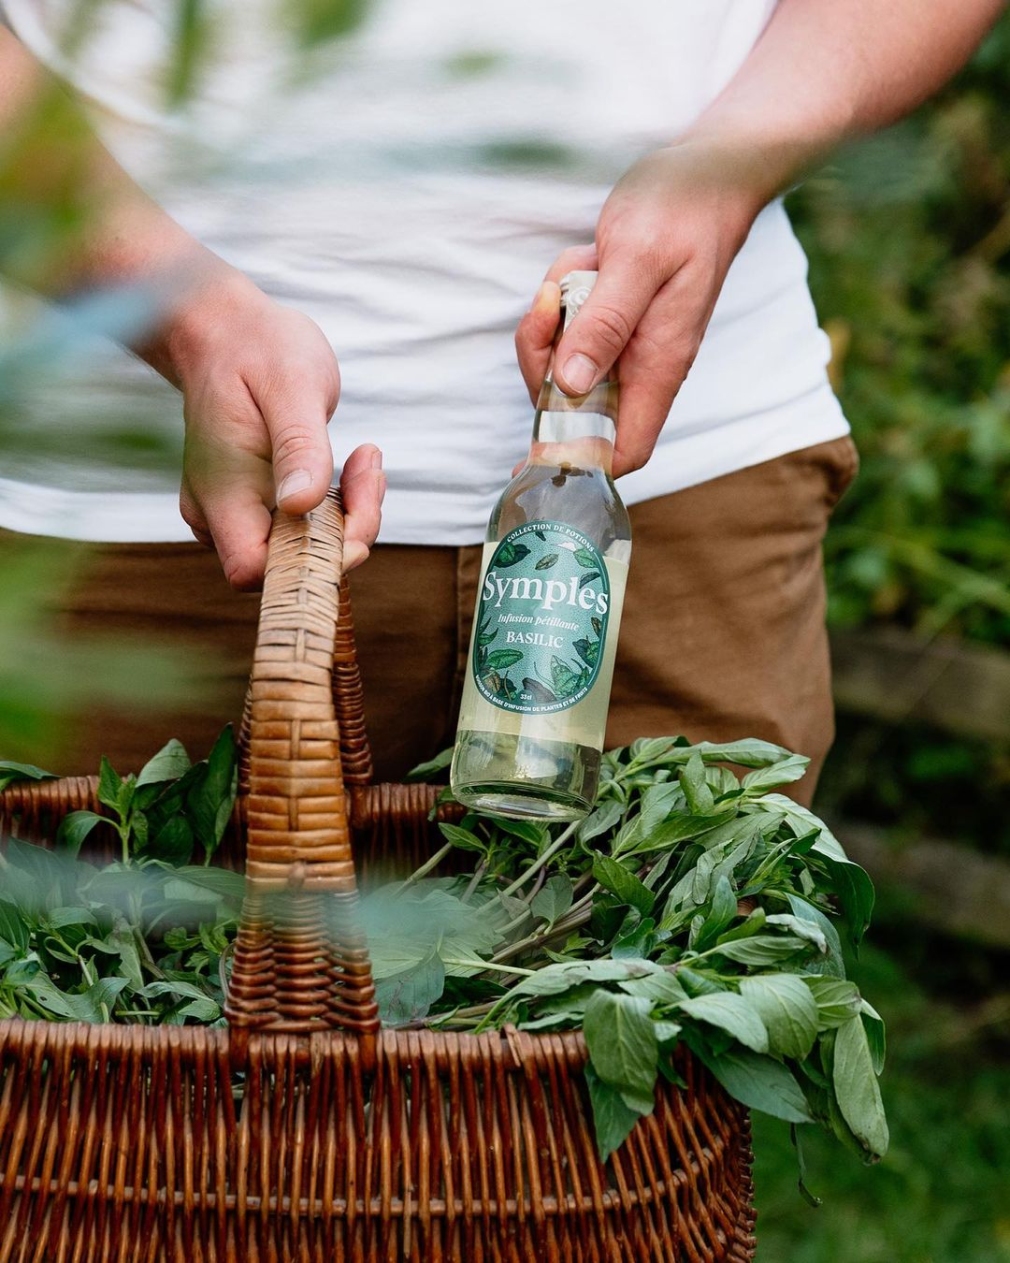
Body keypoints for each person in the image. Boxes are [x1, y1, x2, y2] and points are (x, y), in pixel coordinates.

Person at [0, 0, 1003, 803]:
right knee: (131, 1041)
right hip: (136, 526)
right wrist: (181, 315)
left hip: (687, 502)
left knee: (671, 1039)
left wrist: (729, 162)